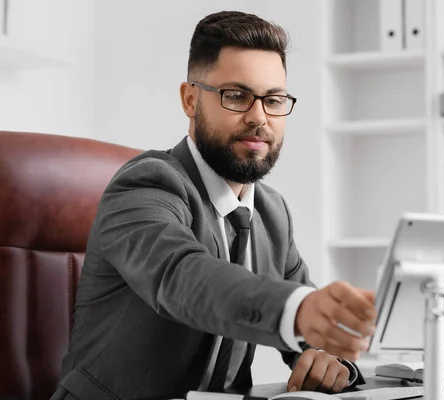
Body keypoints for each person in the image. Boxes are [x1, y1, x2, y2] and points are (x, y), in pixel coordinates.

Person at [51, 10, 377, 400]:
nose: (259, 118)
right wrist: (299, 310)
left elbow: (307, 324)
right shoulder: (145, 184)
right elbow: (182, 276)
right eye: (236, 96)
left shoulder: (272, 215)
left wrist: (327, 356)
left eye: (273, 100)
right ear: (191, 100)